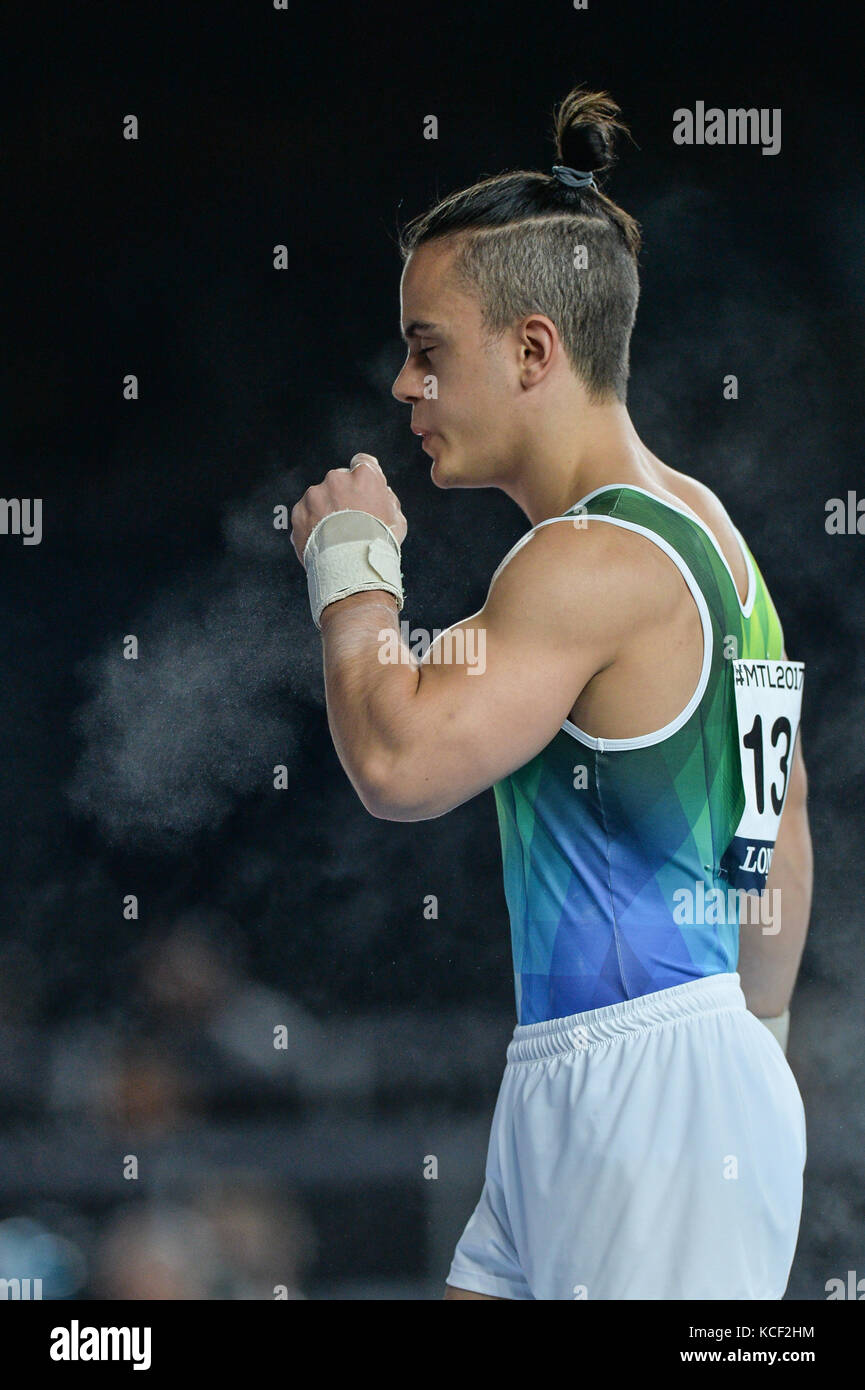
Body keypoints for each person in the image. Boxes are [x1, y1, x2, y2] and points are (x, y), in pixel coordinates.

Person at [290, 85, 811, 1300]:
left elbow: (398, 762)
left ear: (534, 349)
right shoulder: (715, 539)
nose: (404, 388)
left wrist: (352, 568)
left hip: (648, 1092)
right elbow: (773, 844)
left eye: (428, 351)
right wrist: (752, 1058)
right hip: (621, 1079)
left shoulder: (585, 559)